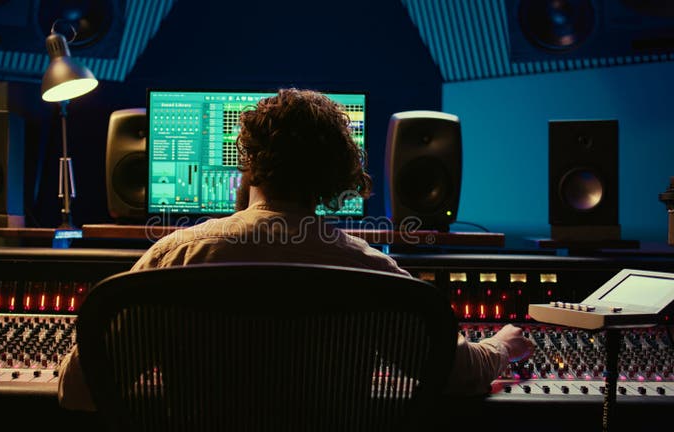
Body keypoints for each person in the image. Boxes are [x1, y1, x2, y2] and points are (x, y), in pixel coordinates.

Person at [57, 88, 533, 411]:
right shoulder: (372, 271)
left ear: (246, 164)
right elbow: (454, 376)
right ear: (337, 178)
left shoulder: (177, 254)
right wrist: (499, 347)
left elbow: (78, 390)